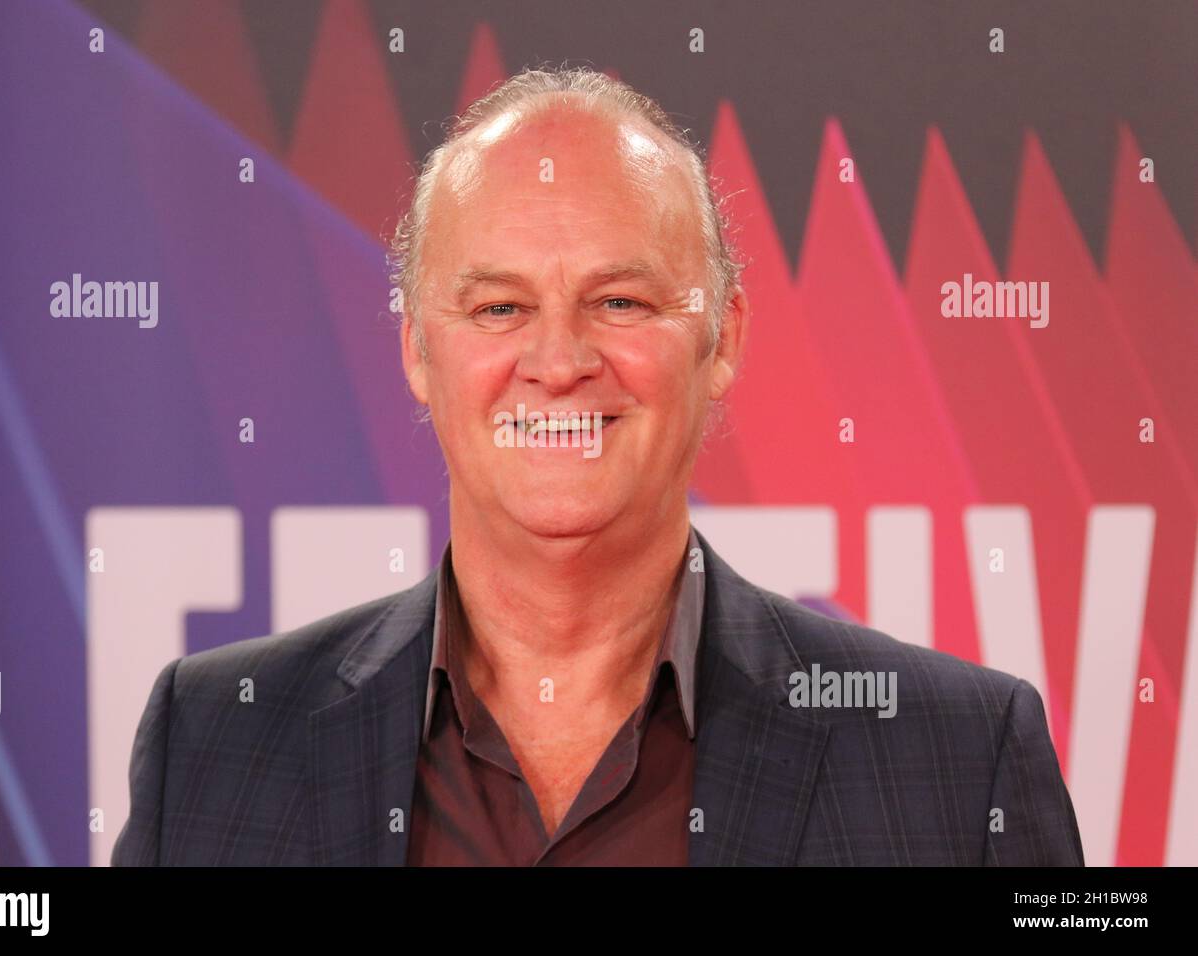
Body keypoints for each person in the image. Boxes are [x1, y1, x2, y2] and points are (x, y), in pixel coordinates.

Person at [111, 66, 1083, 866]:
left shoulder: (959, 762)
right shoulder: (215, 742)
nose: (561, 359)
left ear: (722, 335)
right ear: (416, 348)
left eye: (620, 301)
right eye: (498, 307)